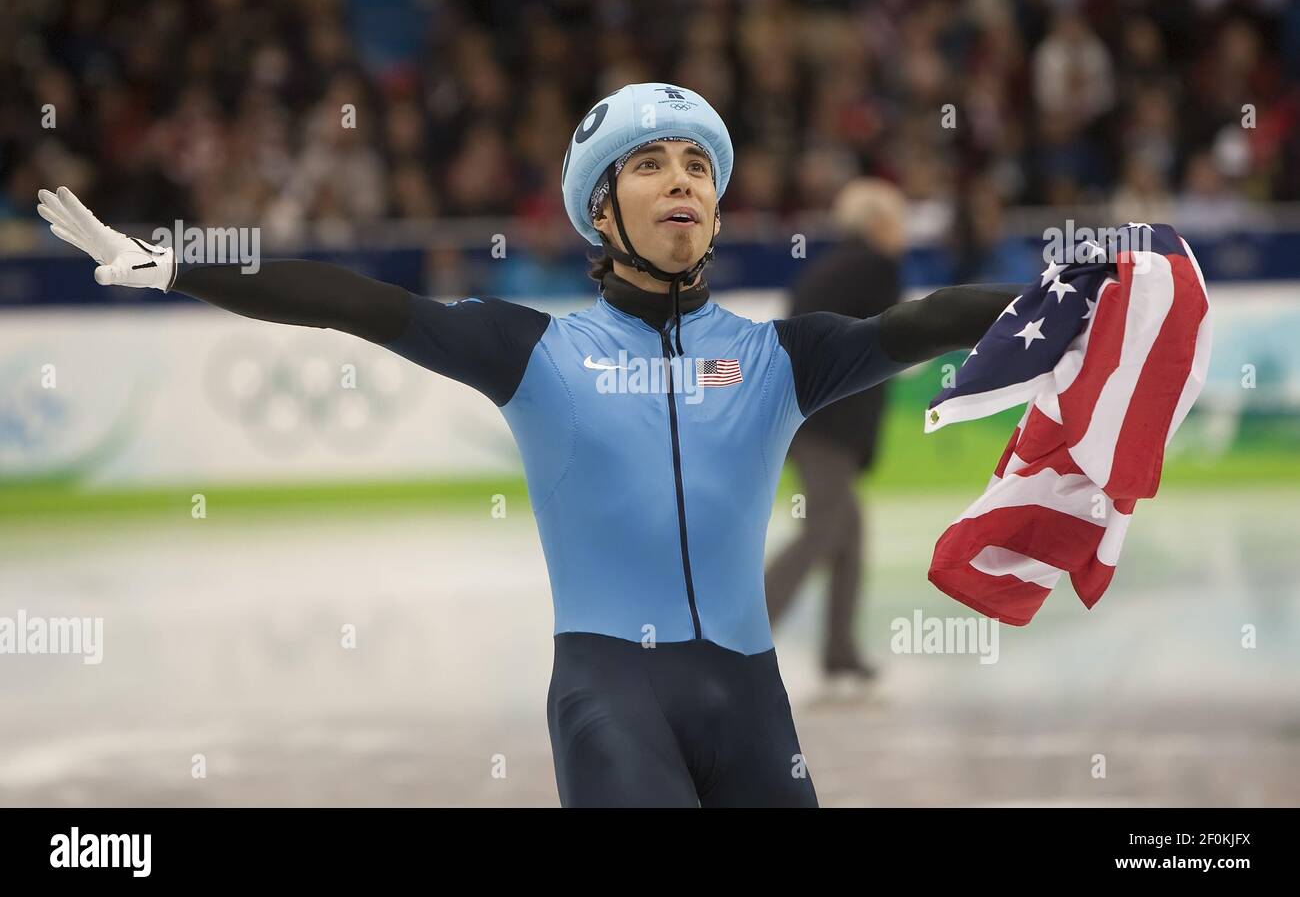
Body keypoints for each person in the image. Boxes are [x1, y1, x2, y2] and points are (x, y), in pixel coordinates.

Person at [37, 82, 1019, 808]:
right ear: (601, 210)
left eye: (696, 168)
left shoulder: (780, 358)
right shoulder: (535, 350)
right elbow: (353, 301)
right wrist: (173, 266)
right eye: (649, 164)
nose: (680, 181)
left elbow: (933, 319)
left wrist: (1088, 297)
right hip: (612, 699)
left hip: (753, 702)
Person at [765, 178, 904, 688]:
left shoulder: (819, 271)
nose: (903, 234)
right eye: (896, 222)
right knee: (823, 531)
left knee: (847, 535)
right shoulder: (876, 268)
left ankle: (840, 650)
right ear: (876, 224)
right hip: (830, 424)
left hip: (805, 418)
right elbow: (882, 349)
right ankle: (738, 637)